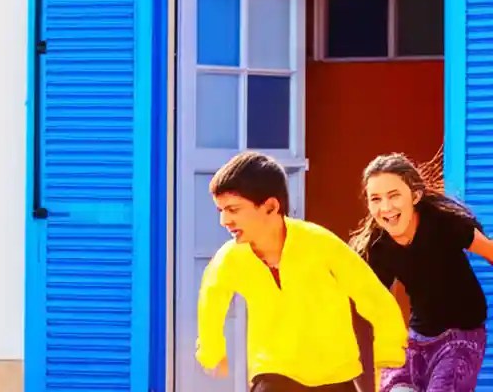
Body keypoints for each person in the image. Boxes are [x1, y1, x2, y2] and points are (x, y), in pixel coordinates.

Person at [196, 151, 407, 392]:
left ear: (270, 206)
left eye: (233, 210)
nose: (224, 220)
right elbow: (211, 300)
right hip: (274, 375)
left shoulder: (322, 245)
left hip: (335, 378)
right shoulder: (230, 258)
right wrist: (212, 350)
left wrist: (390, 360)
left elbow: (375, 299)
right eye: (220, 210)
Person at [349, 152, 493, 392]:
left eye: (394, 195)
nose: (386, 207)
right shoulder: (378, 247)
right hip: (416, 340)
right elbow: (375, 305)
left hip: (461, 337)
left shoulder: (445, 223)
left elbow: (490, 251)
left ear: (415, 195)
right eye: (375, 199)